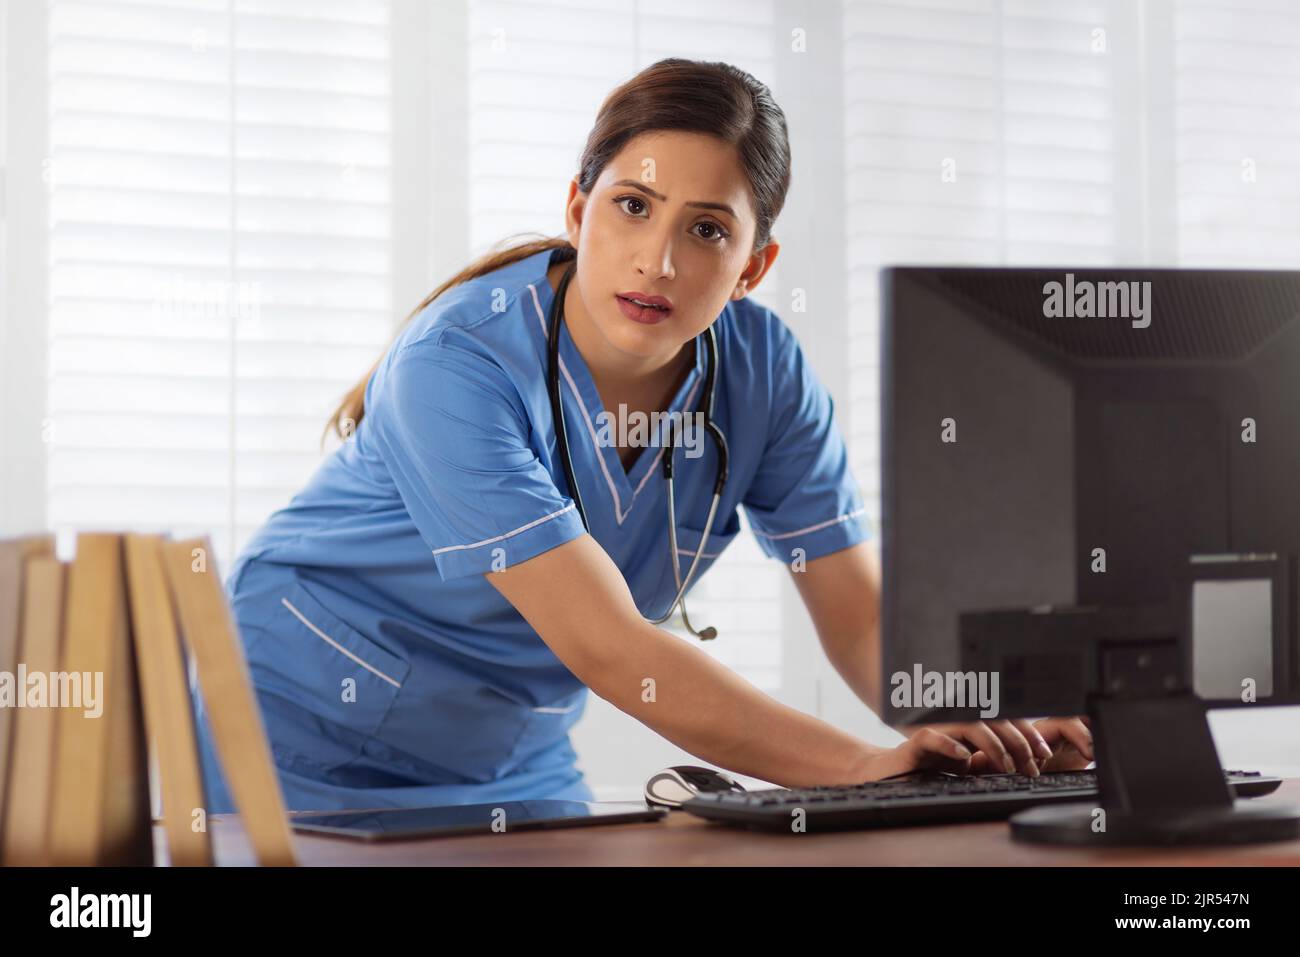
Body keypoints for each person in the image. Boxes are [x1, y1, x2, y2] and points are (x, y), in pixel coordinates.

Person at [192, 58, 1092, 813]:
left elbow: (857, 613)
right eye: (633, 206)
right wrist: (860, 768)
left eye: (706, 228)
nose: (658, 260)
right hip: (295, 731)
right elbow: (610, 645)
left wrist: (985, 720)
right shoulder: (454, 364)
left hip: (510, 757)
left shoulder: (765, 374)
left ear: (754, 266)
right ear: (577, 209)